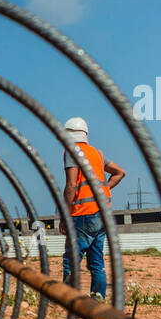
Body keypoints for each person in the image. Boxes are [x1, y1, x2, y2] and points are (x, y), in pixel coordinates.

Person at [60, 116, 124, 299]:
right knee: (96, 260)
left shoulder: (72, 151)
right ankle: (98, 296)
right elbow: (120, 173)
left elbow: (71, 186)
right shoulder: (97, 153)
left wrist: (65, 214)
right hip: (102, 214)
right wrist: (103, 188)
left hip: (83, 214)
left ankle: (67, 297)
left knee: (71, 258)